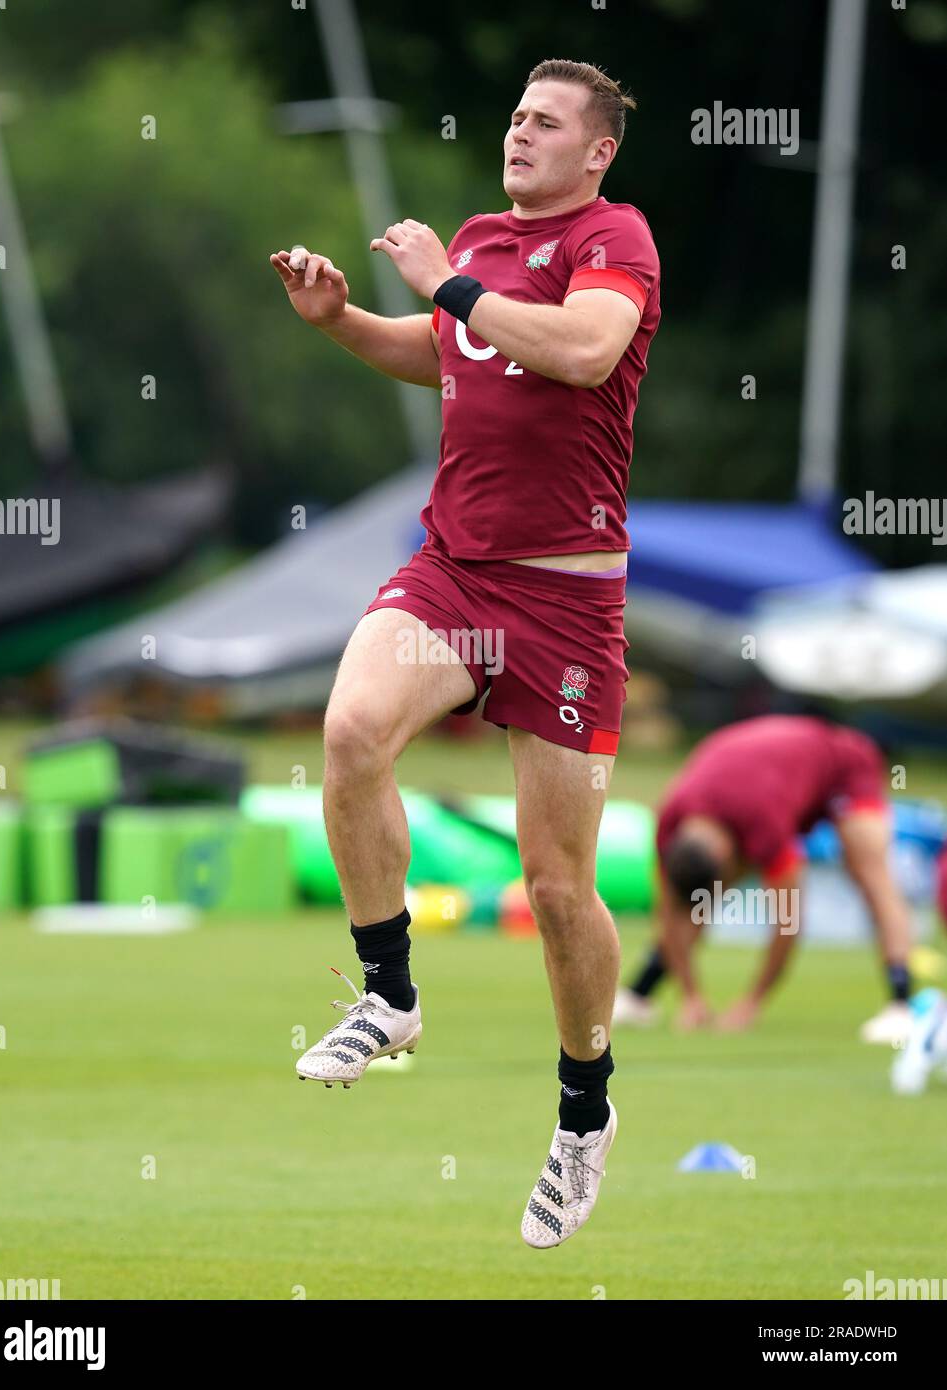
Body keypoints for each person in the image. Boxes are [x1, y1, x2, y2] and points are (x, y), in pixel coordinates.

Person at [270, 59, 660, 1247]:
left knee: (555, 885)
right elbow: (448, 355)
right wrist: (343, 319)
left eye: (546, 123)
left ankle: (583, 1115)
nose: (519, 133)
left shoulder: (616, 239)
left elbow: (582, 351)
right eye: (514, 117)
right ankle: (390, 993)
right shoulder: (482, 240)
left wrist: (444, 284)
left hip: (568, 605)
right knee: (347, 732)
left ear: (596, 151)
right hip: (455, 569)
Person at [614, 716, 915, 1044]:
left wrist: (752, 1002)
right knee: (698, 896)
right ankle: (641, 994)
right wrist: (692, 995)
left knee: (870, 873)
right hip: (770, 770)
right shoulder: (669, 825)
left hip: (844, 764)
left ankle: (901, 1005)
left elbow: (787, 922)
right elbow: (670, 912)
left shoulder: (763, 824)